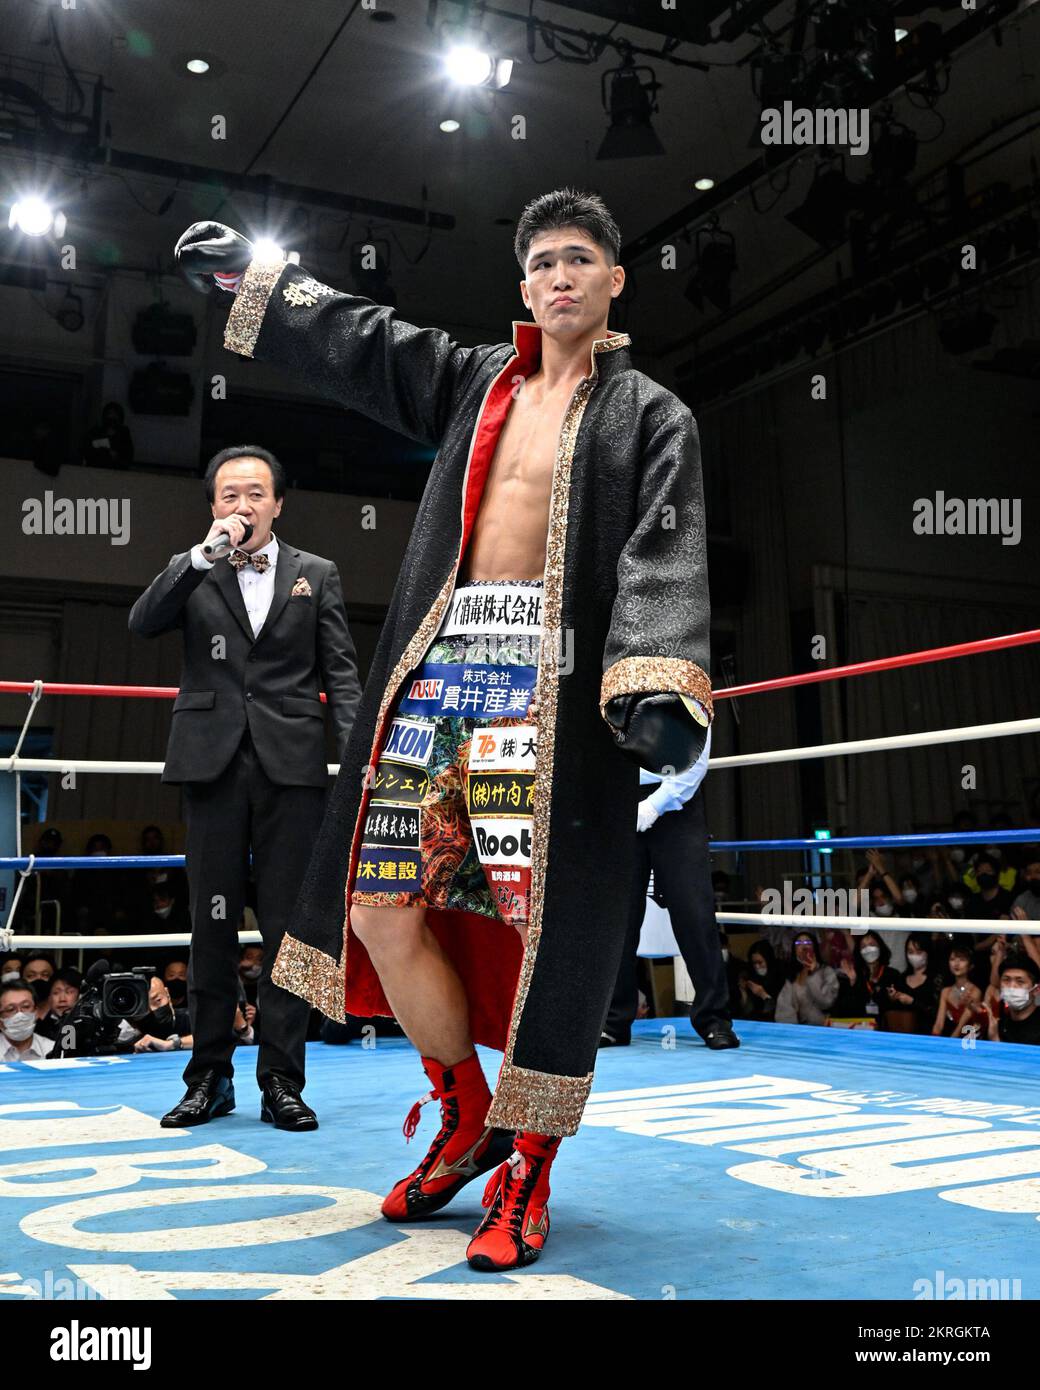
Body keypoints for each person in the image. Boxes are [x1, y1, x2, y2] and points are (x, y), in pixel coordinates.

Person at [173, 185, 713, 1272]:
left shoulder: (650, 412)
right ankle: (464, 1113)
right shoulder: (478, 382)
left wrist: (654, 680)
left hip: (549, 691)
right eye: (540, 262)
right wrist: (256, 285)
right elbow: (363, 340)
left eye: (577, 259)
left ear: (612, 280)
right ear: (524, 287)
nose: (557, 275)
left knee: (535, 928)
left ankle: (527, 1168)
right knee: (379, 906)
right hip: (441, 666)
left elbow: (663, 546)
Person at [128, 444, 364, 1132]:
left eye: (255, 494)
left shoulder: (315, 574)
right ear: (213, 505)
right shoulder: (193, 571)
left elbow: (342, 676)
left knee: (290, 929)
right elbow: (142, 621)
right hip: (212, 765)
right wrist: (199, 556)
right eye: (229, 495)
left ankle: (283, 1080)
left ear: (278, 503)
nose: (242, 505)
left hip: (291, 768)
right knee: (212, 925)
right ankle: (208, 1077)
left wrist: (354, 764)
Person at [601, 724, 739, 1049]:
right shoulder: (605, 680)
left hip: (677, 799)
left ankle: (714, 1020)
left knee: (694, 911)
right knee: (617, 917)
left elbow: (697, 751)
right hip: (620, 795)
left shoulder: (687, 674)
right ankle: (613, 1021)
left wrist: (655, 804)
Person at [775, 931, 839, 1025]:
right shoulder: (791, 976)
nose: (804, 946)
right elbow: (783, 1010)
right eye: (798, 943)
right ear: (794, 950)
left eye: (808, 943)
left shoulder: (826, 971)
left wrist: (813, 974)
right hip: (799, 1031)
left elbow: (826, 1002)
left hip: (823, 1028)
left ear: (814, 947)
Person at [888, 933, 940, 1033]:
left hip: (927, 1035)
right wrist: (893, 998)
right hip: (903, 1035)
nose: (914, 956)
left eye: (919, 952)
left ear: (928, 952)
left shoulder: (936, 979)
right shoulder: (901, 979)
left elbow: (937, 1012)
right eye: (910, 952)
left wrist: (912, 1002)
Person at [986, 954, 1040, 1045]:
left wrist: (995, 1040)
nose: (1012, 987)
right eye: (1006, 980)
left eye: (1020, 981)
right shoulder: (997, 1025)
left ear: (1036, 990)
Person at [931, 944, 984, 1038]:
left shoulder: (975, 991)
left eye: (962, 960)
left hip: (969, 1040)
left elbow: (964, 1026)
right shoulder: (945, 991)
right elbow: (939, 1024)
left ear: (971, 966)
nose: (956, 963)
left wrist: (950, 1043)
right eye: (952, 959)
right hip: (949, 1038)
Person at [0, 982, 56, 1061]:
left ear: (36, 1012)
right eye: (10, 1009)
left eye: (26, 1006)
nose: (19, 1015)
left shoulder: (52, 1049)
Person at [736, 939, 784, 1021]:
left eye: (760, 962)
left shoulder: (780, 976)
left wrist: (763, 995)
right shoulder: (751, 977)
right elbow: (746, 1011)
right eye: (754, 963)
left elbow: (781, 1012)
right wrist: (743, 990)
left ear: (768, 960)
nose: (757, 966)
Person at [81, 400, 134, 469]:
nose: (112, 417)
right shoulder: (96, 431)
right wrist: (104, 453)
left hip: (117, 470)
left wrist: (116, 456)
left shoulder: (124, 433)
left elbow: (128, 455)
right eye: (109, 414)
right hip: (97, 468)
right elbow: (87, 449)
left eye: (115, 414)